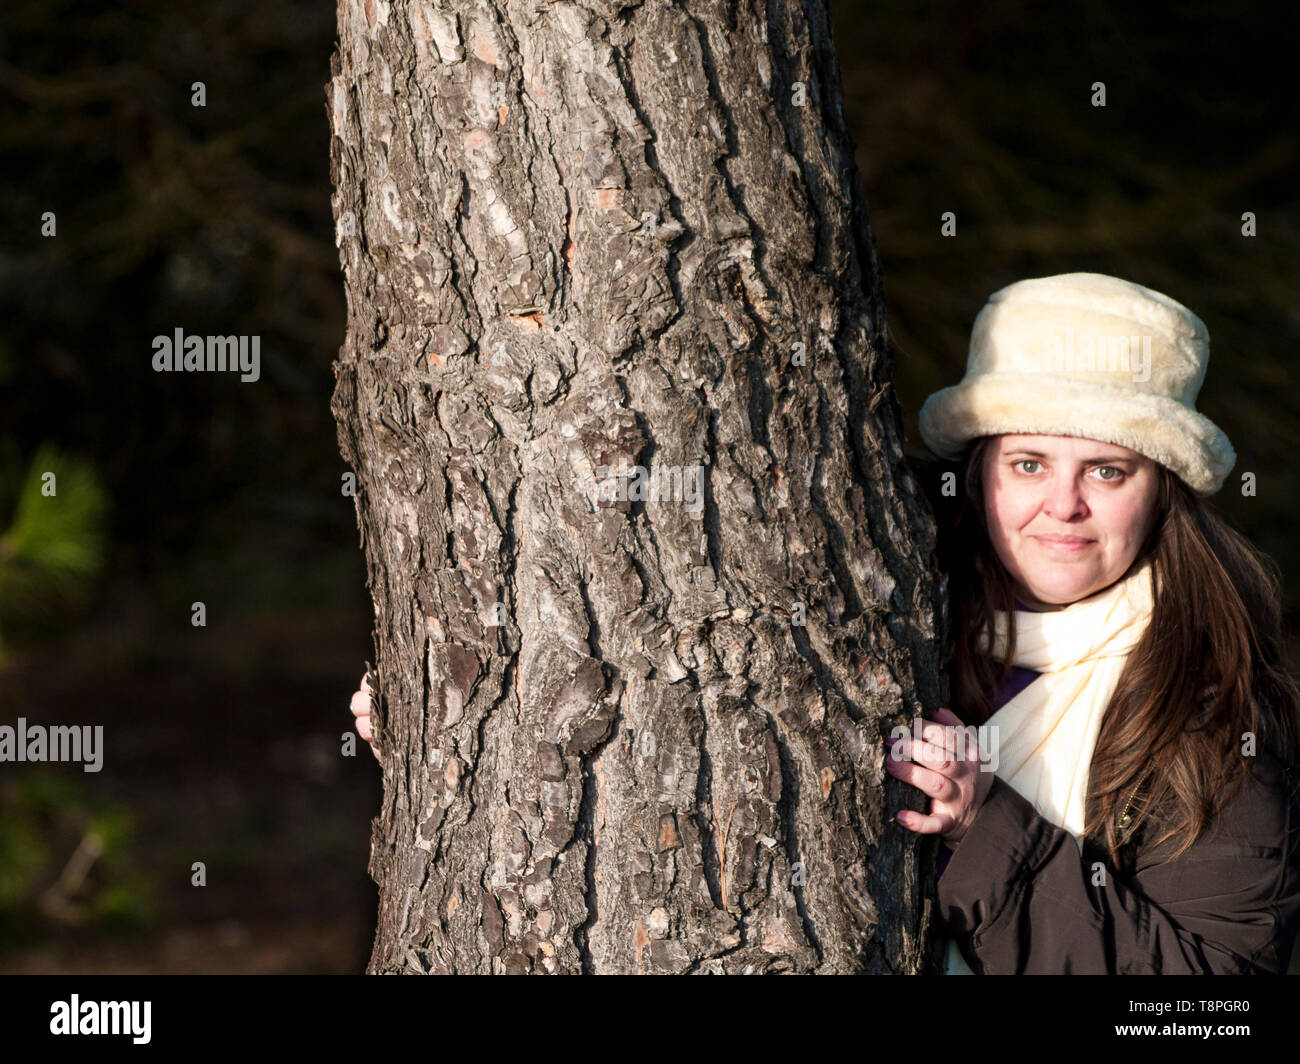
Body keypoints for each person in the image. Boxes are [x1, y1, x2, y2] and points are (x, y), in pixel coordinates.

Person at [890, 271, 1300, 974]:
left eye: (1106, 471)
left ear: (1162, 491)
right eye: (1028, 464)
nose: (1064, 505)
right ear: (982, 468)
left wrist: (985, 831)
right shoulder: (893, 617)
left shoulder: (1209, 705)